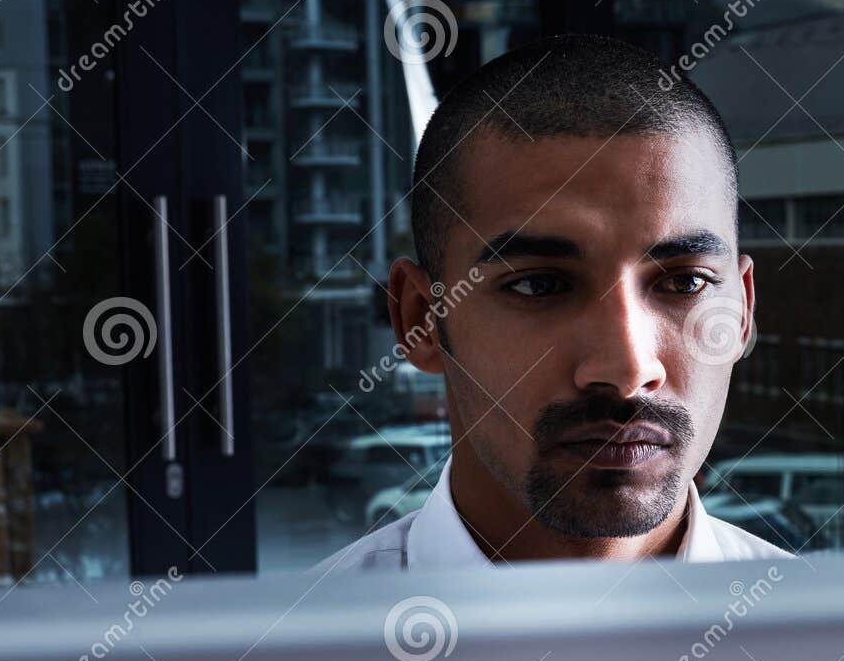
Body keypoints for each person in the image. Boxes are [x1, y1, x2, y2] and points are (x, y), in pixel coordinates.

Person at [308, 34, 790, 579]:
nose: (629, 371)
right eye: (539, 286)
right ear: (421, 319)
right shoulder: (284, 657)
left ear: (742, 312)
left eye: (685, 284)